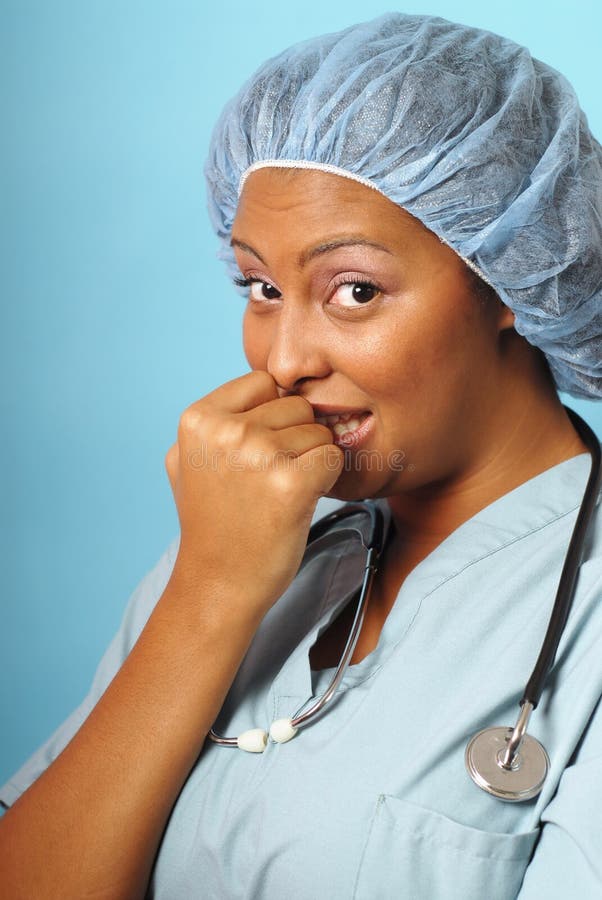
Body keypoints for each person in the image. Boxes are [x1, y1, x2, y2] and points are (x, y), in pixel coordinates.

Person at [1, 11, 601, 899]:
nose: (283, 360)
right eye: (263, 287)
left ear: (506, 271)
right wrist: (208, 593)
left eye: (354, 290)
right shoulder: (240, 539)